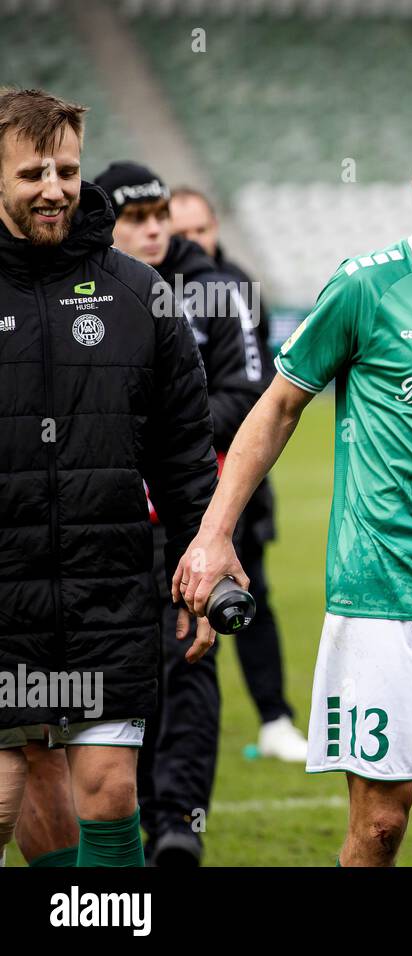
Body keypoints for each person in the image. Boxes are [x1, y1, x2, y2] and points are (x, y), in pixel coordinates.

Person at [172, 117, 412, 866]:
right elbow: (277, 407)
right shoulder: (365, 285)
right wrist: (215, 534)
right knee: (380, 828)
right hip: (382, 600)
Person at [0, 87, 217, 867]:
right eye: (31, 174)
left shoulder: (137, 292)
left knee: (109, 791)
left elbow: (186, 451)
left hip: (107, 587)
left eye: (65, 169)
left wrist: (202, 564)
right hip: (6, 590)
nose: (54, 188)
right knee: (12, 784)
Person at [92, 161, 263, 865]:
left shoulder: (221, 292)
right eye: (136, 218)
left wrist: (163, 434)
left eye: (160, 213)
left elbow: (248, 391)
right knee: (121, 676)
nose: (154, 227)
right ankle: (124, 819)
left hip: (199, 517)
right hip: (107, 526)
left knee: (190, 663)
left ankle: (178, 824)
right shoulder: (88, 291)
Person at [170, 185, 308, 764]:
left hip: (241, 475)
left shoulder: (237, 288)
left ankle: (275, 716)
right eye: (183, 232)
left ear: (215, 226)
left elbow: (259, 394)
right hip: (172, 483)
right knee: (172, 598)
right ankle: (171, 722)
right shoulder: (145, 289)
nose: (194, 241)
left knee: (255, 591)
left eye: (201, 229)